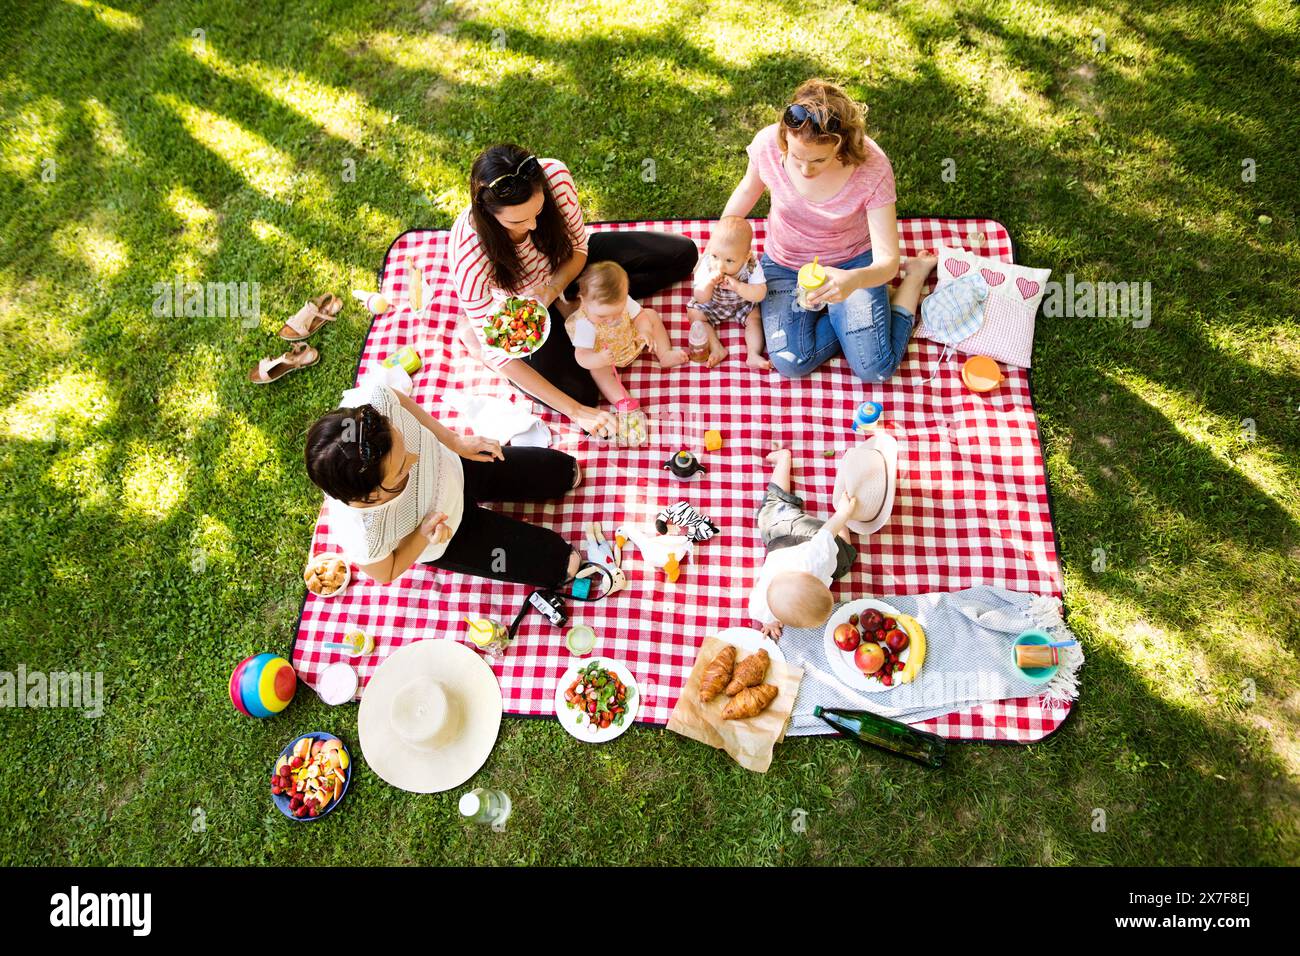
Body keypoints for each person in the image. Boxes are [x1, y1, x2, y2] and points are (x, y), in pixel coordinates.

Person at [450, 144, 698, 436]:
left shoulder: (555, 176)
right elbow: (501, 354)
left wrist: (556, 289)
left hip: (570, 271)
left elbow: (579, 248)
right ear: (487, 214)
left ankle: (599, 304)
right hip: (531, 311)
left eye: (539, 212)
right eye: (516, 222)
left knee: (683, 255)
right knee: (583, 394)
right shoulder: (469, 255)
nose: (531, 226)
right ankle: (473, 340)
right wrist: (578, 413)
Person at [304, 381, 584, 587]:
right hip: (447, 533)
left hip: (456, 465)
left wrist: (454, 441)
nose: (415, 457)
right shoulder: (363, 535)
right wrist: (422, 535)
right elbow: (386, 572)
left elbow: (398, 400)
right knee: (561, 564)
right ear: (372, 497)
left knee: (563, 470)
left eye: (405, 442)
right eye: (402, 468)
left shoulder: (373, 406)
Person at [722, 78, 908, 382]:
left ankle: (908, 288)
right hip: (784, 265)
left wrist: (856, 281)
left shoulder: (873, 167)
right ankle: (848, 318)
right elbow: (746, 191)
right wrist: (717, 246)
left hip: (851, 265)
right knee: (790, 362)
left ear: (841, 142)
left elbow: (887, 261)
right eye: (796, 158)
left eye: (819, 159)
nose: (806, 170)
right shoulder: (768, 144)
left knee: (875, 369)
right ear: (784, 138)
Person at [747, 448, 859, 640]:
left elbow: (826, 533)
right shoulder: (760, 607)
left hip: (794, 531)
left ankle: (783, 459)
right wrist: (769, 621)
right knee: (770, 512)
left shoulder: (813, 561)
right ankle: (783, 461)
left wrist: (843, 514)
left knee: (772, 505)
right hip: (785, 535)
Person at [567, 261, 687, 410]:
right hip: (606, 356)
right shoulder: (584, 324)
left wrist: (645, 331)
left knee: (650, 315)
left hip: (629, 338)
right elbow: (581, 356)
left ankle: (664, 353)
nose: (611, 320)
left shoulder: (623, 301)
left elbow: (639, 316)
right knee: (597, 371)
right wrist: (598, 359)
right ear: (583, 300)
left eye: (617, 313)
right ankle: (622, 399)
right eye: (602, 316)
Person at [687, 215, 770, 369]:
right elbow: (700, 297)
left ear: (745, 257)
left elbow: (760, 293)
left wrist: (738, 286)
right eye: (715, 256)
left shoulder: (751, 265)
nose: (720, 266)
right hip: (713, 303)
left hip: (742, 304)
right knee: (694, 314)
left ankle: (753, 354)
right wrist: (709, 283)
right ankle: (717, 348)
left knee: (755, 318)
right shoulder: (707, 265)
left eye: (729, 261)